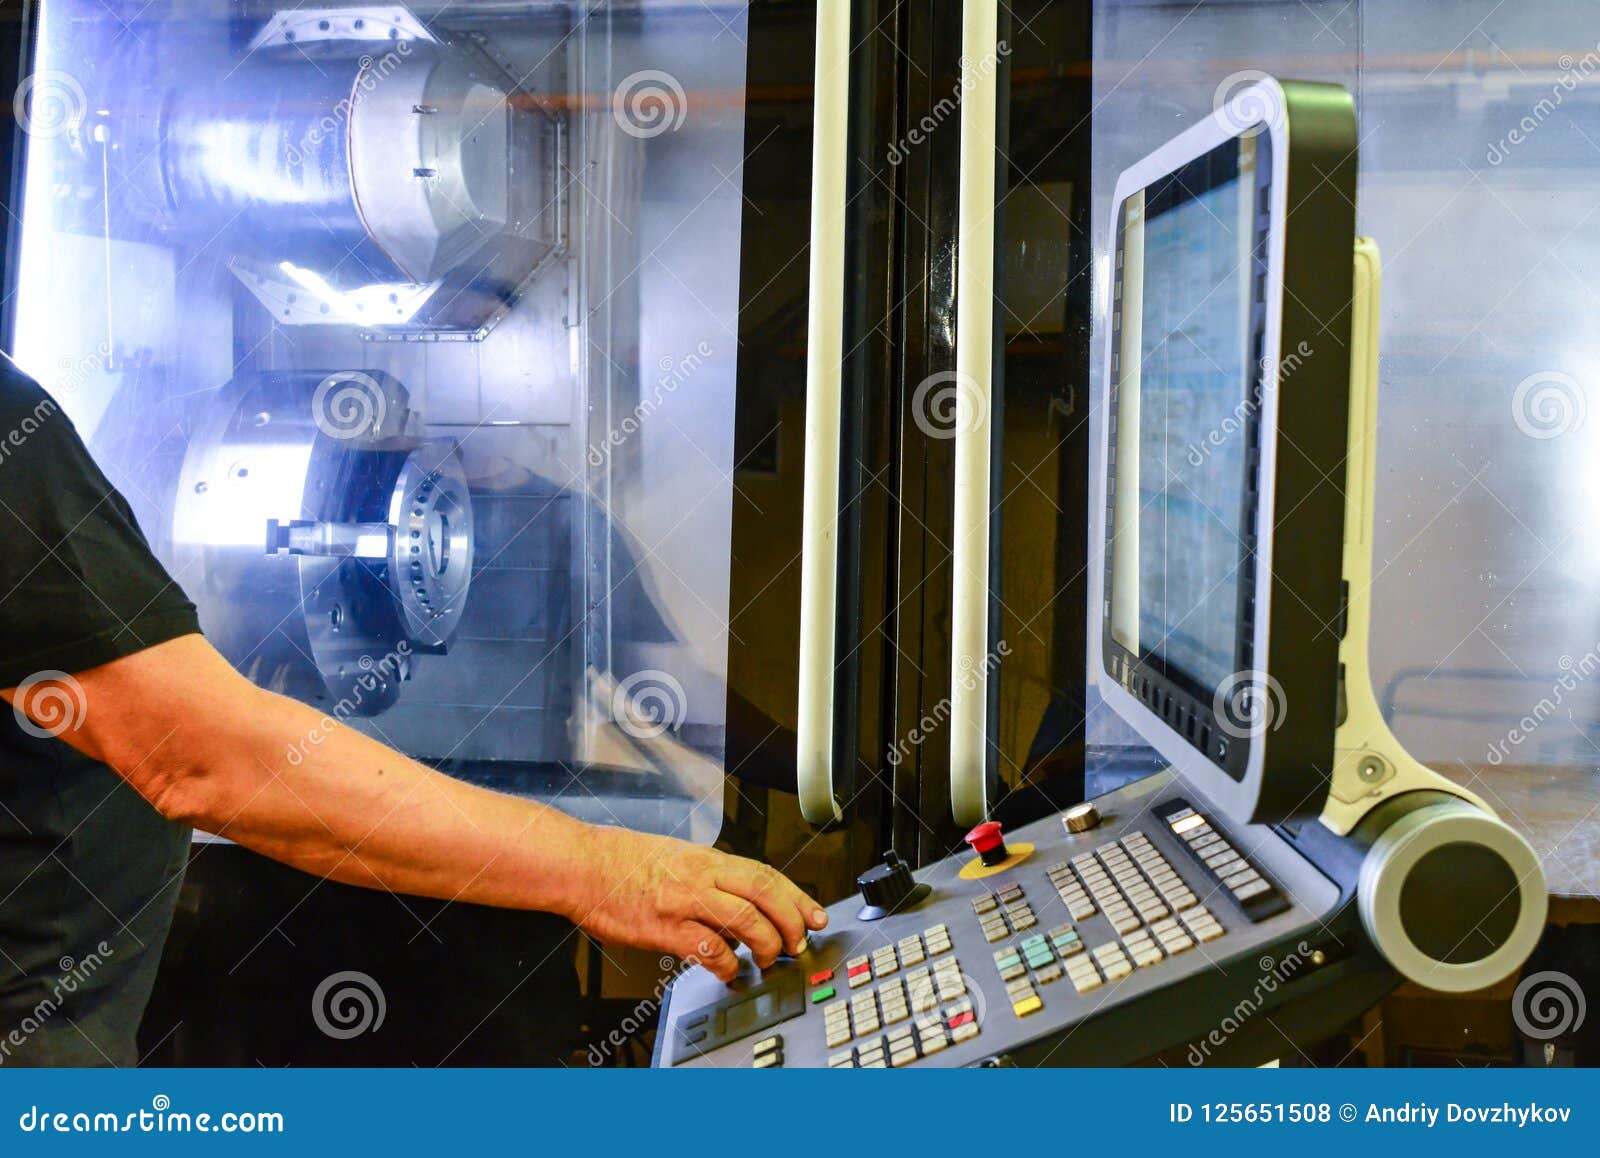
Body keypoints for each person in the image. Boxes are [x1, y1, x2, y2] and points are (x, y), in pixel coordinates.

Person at [0, 360, 826, 1066]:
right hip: (288, 911)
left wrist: (824, 771)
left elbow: (664, 680)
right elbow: (209, 751)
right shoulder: (284, 520)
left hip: (488, 919)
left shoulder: (567, 525)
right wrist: (604, 869)